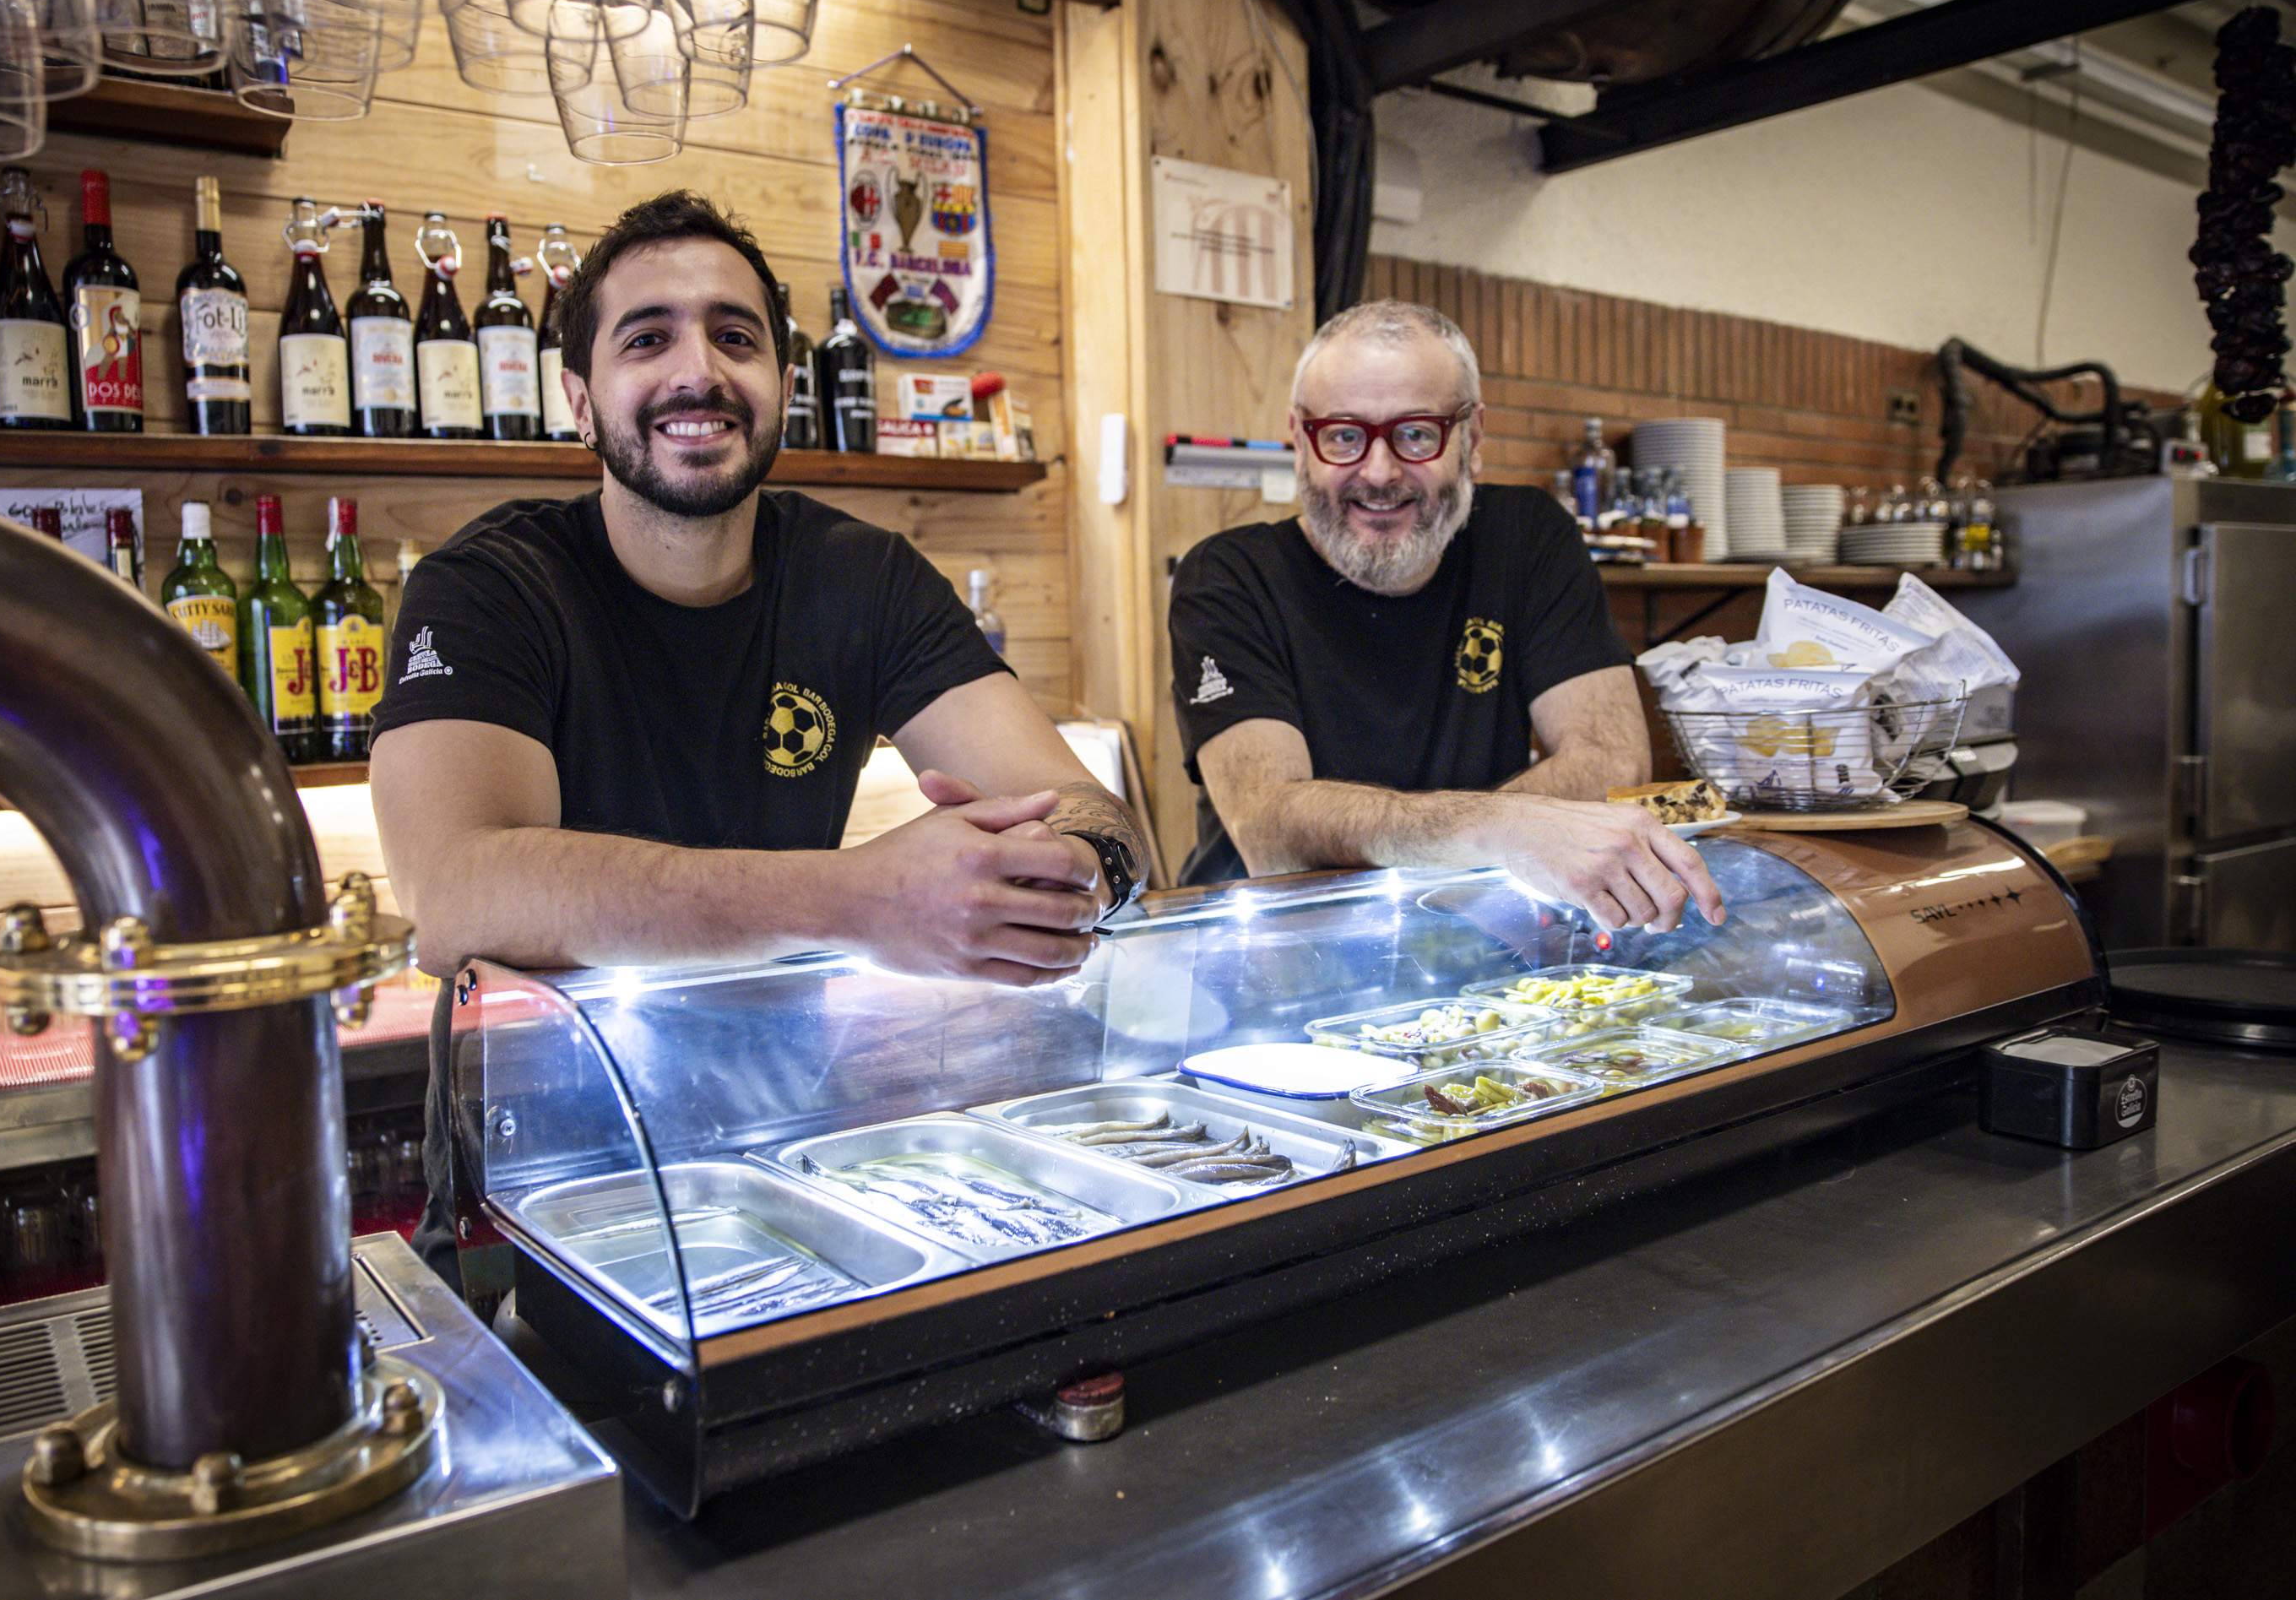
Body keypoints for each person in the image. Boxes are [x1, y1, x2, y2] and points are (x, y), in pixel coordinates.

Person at [370, 190, 1149, 1279]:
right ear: (578, 403)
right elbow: (456, 896)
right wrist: (861, 901)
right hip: (540, 1185)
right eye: (648, 339)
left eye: (736, 337)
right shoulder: (488, 588)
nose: (699, 370)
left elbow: (1092, 812)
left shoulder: (862, 577)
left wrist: (1062, 868)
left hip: (791, 1155)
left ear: (784, 390)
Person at [1169, 298, 1724, 934]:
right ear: (1300, 440)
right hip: (1273, 958)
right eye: (1345, 436)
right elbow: (1271, 829)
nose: (1378, 472)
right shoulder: (1227, 577)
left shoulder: (1529, 536)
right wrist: (1499, 831)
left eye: (1415, 433)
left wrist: (1465, 861)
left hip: (1478, 942)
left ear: (1473, 438)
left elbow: (1613, 759)